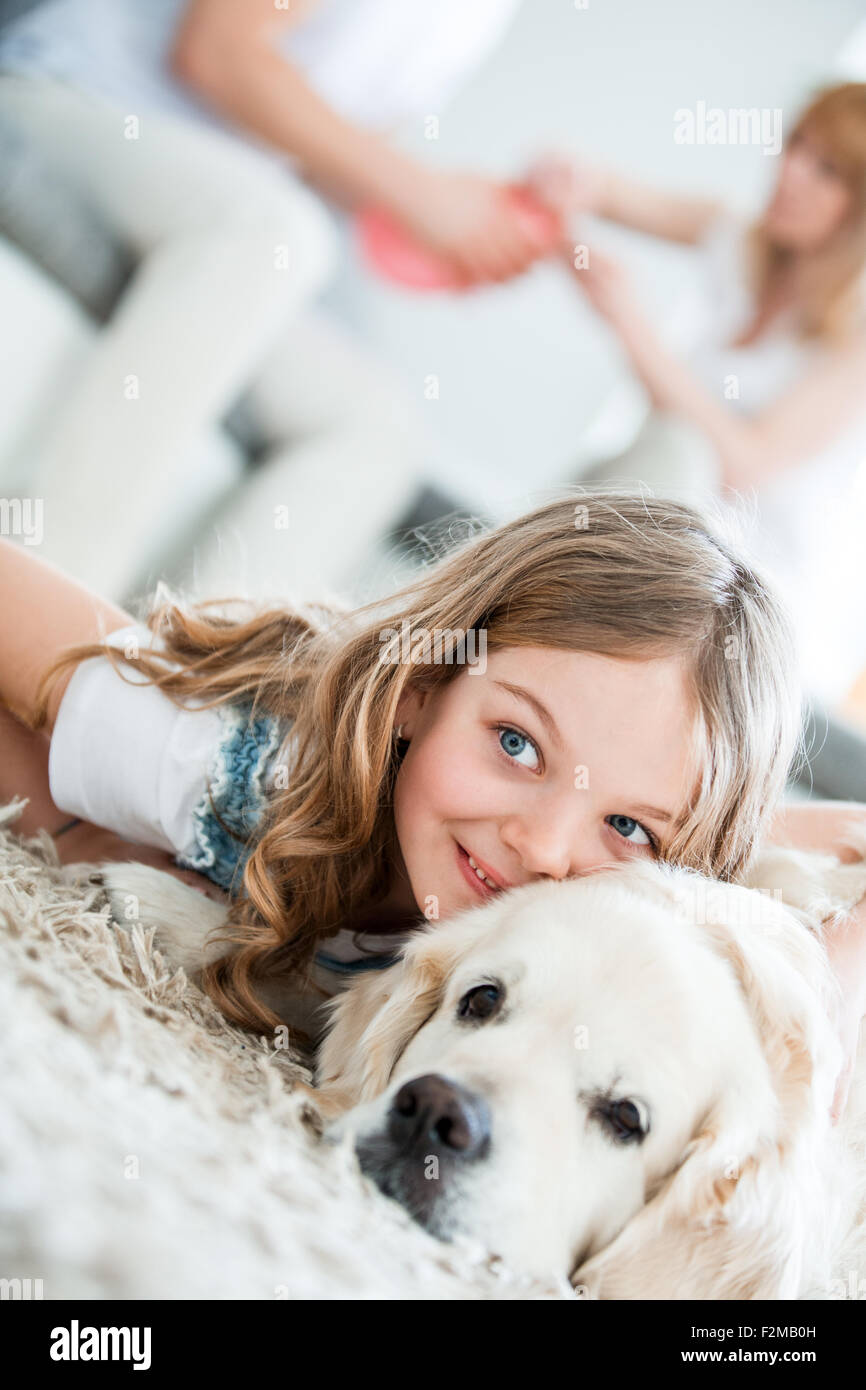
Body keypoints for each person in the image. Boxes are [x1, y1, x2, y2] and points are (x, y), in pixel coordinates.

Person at [2, 486, 866, 1116]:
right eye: (518, 743)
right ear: (422, 684)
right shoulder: (241, 764)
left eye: (628, 824)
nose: (545, 848)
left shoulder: (618, 946)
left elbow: (779, 1088)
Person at [0, 0, 548, 601]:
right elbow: (217, 53)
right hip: (74, 98)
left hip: (216, 205)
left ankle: (186, 677)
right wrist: (421, 194)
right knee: (273, 234)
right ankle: (40, 603)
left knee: (378, 427)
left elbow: (325, 160)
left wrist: (459, 224)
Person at [528, 82, 866, 710]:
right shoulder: (738, 240)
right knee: (589, 493)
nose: (791, 172)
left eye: (827, 170)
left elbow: (744, 465)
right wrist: (567, 181)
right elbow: (611, 190)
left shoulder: (856, 341)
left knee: (674, 454)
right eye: (797, 144)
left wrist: (628, 321)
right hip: (659, 528)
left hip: (742, 588)